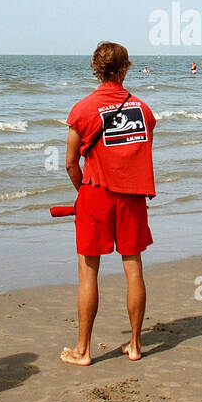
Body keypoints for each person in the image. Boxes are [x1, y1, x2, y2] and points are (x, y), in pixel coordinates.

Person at [61, 42, 155, 366]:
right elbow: (143, 151)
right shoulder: (143, 111)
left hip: (95, 194)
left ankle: (83, 350)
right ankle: (135, 345)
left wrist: (82, 192)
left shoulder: (82, 110)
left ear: (96, 69)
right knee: (133, 269)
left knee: (88, 272)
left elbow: (71, 163)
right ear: (125, 67)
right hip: (131, 197)